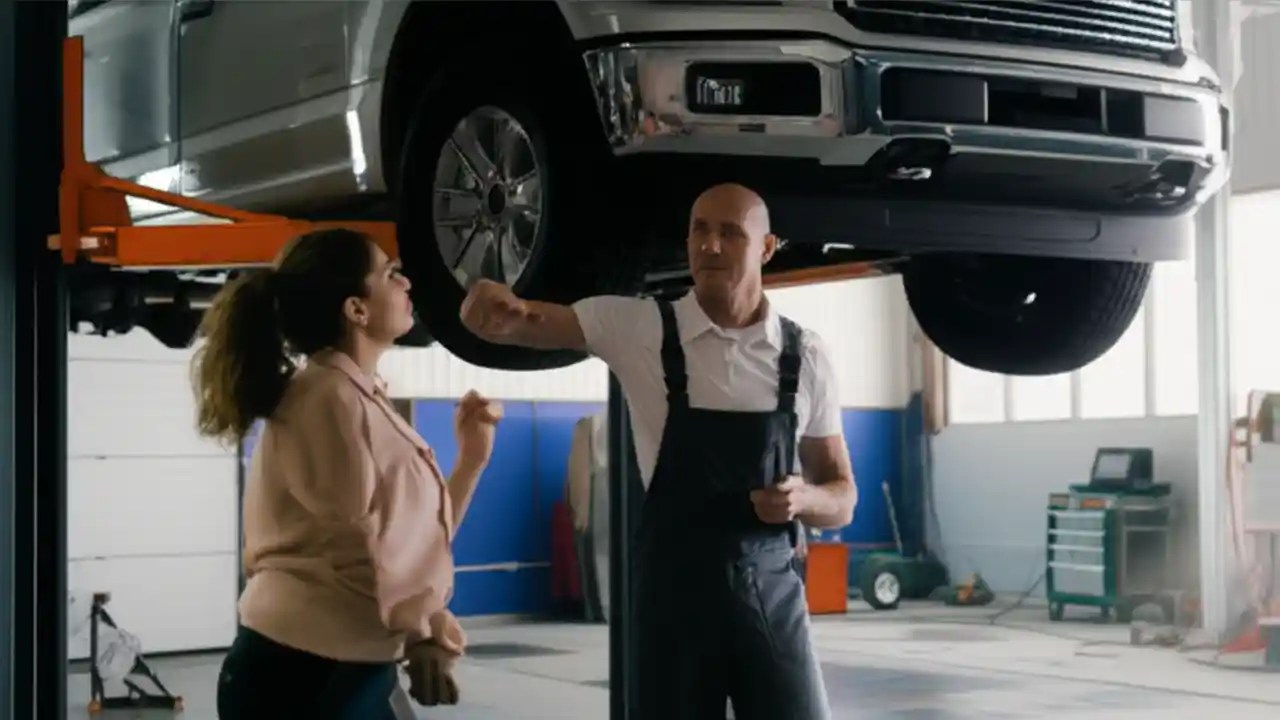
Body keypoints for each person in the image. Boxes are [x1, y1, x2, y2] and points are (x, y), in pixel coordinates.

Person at [459, 183, 857, 720]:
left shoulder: (804, 356)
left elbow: (843, 496)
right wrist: (484, 305)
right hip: (674, 604)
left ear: (767, 248)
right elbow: (527, 321)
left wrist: (803, 499)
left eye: (730, 233)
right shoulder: (639, 327)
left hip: (771, 597)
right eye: (699, 229)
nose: (709, 246)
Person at [192, 228, 501, 719]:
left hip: (339, 667)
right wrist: (422, 630)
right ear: (356, 309)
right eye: (389, 274)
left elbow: (415, 542)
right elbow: (359, 542)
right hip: (301, 674)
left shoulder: (356, 396)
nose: (406, 285)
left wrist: (471, 461)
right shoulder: (326, 399)